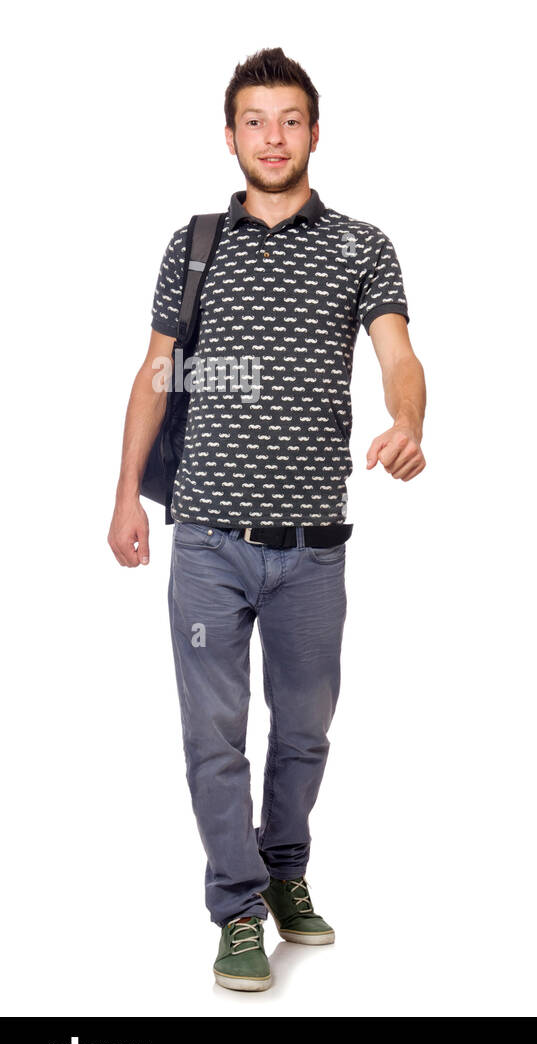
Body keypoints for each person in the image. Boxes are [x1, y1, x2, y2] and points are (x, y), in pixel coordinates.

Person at [107, 48, 428, 992]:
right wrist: (125, 492)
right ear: (231, 135)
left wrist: (407, 420)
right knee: (214, 733)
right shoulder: (196, 242)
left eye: (290, 119)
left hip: (313, 552)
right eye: (255, 120)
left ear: (314, 132)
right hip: (207, 540)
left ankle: (285, 869)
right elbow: (156, 371)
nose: (273, 137)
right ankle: (238, 906)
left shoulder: (361, 243)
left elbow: (400, 353)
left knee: (304, 730)